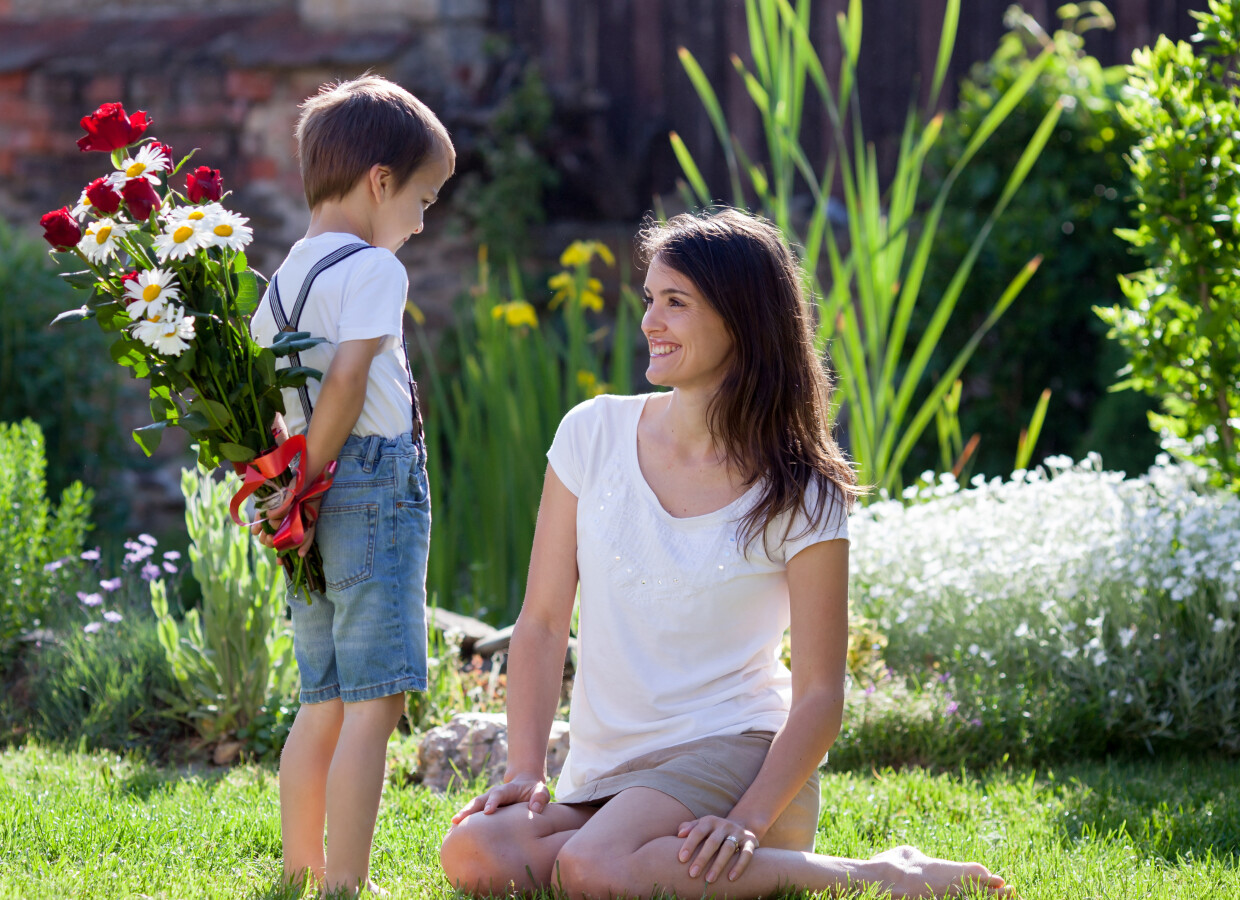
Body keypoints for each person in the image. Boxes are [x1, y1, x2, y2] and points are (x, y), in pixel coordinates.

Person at [440, 210, 1014, 899]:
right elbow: (538, 624)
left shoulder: (802, 491)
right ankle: (642, 856)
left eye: (675, 302)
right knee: (476, 852)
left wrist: (747, 819)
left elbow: (821, 695)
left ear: (741, 320)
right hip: (615, 771)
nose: (651, 320)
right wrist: (526, 770)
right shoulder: (590, 434)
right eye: (650, 298)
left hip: (739, 755)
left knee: (591, 870)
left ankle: (878, 874)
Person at [249, 74, 453, 897]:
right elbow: (347, 379)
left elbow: (282, 399)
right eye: (424, 197)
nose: (423, 219)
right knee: (377, 701)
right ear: (379, 182)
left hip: (315, 499)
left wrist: (290, 479)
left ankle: (300, 868)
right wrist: (305, 470)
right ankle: (346, 884)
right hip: (367, 483)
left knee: (323, 696)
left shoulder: (282, 281)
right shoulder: (372, 269)